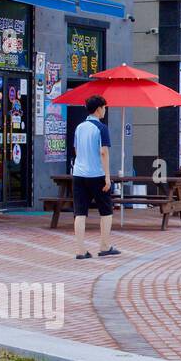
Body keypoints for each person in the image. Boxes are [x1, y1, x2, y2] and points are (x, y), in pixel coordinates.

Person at [71, 96, 119, 260]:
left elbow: (76, 150)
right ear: (99, 108)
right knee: (106, 211)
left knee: (80, 212)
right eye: (105, 107)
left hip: (78, 174)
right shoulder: (101, 128)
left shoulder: (79, 127)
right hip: (96, 174)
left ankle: (80, 250)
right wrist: (107, 177)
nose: (105, 110)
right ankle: (104, 246)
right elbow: (104, 152)